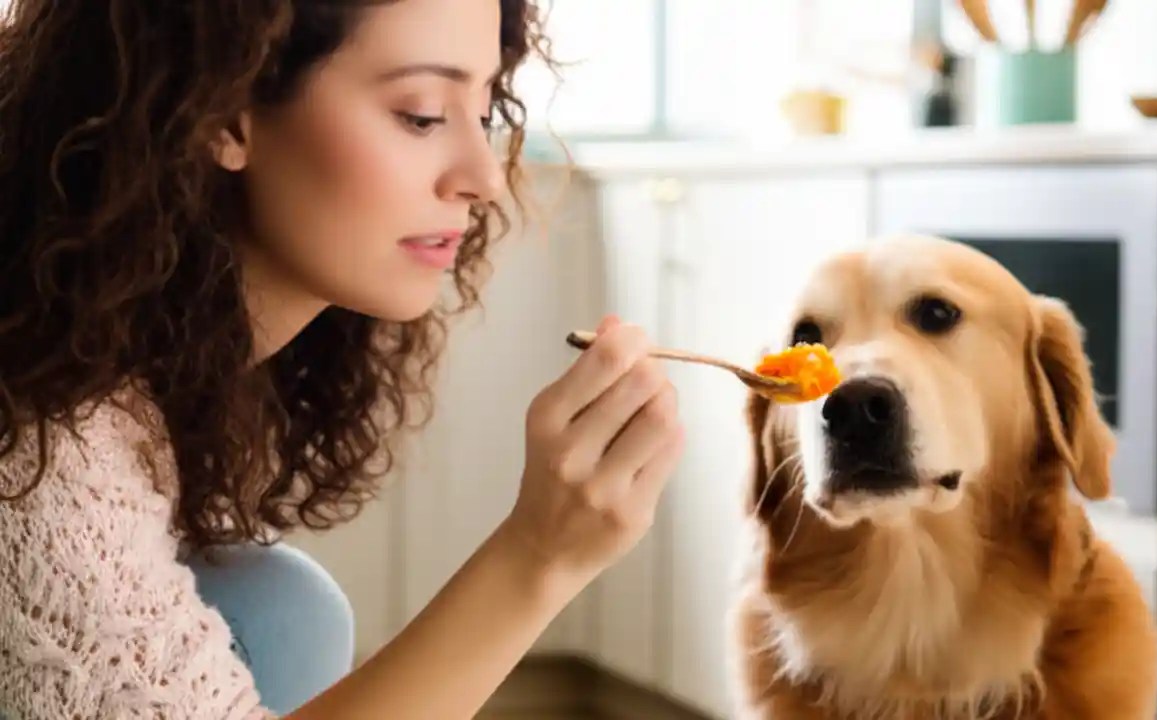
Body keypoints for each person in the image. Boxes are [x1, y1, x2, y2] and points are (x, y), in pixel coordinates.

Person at [0, 0, 686, 718]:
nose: (484, 177)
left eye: (484, 113)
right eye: (422, 116)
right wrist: (539, 557)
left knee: (283, 608)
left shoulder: (164, 350)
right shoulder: (47, 443)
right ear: (223, 114)